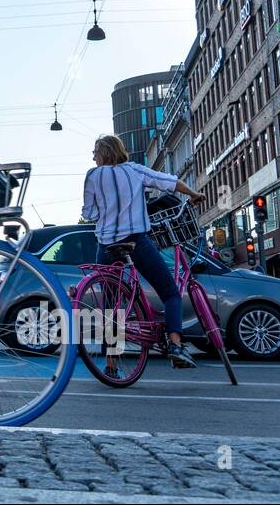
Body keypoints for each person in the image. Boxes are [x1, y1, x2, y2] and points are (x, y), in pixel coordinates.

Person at [81, 134, 206, 370]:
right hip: (136, 241)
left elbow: (89, 213)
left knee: (110, 304)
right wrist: (194, 194)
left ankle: (110, 362)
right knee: (170, 292)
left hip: (106, 244)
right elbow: (169, 182)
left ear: (104, 153)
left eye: (95, 153)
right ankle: (176, 345)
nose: (94, 157)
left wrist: (107, 213)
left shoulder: (92, 175)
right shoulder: (134, 170)